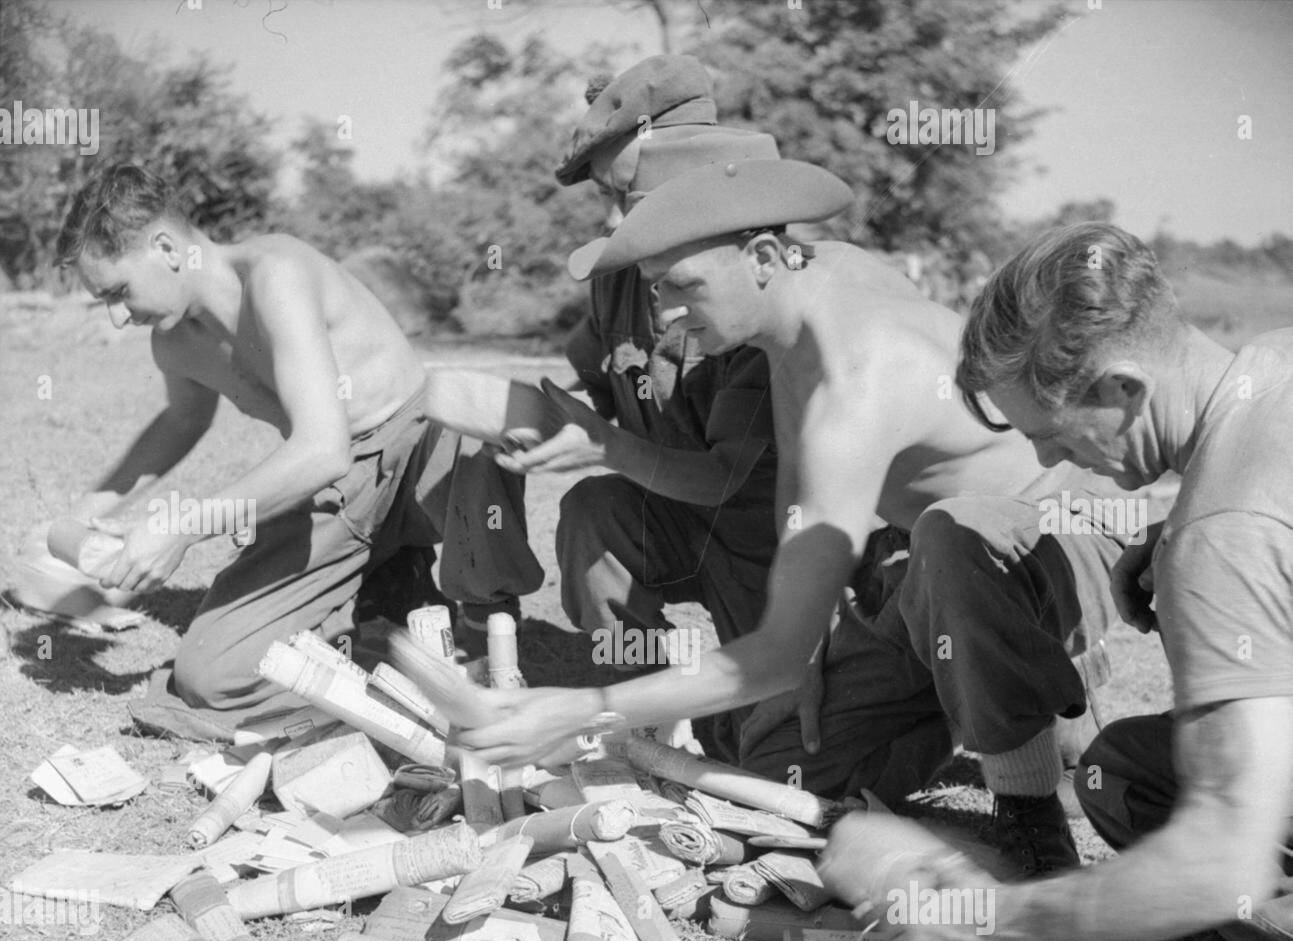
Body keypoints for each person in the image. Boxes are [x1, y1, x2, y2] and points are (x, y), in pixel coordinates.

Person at [462, 159, 1146, 874]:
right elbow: (802, 547)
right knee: (781, 768)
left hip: (1057, 535)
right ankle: (965, 688)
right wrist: (813, 665)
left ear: (762, 257)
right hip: (916, 560)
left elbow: (778, 649)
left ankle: (1032, 806)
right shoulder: (802, 307)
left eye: (684, 285)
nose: (666, 314)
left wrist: (579, 710)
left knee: (952, 540)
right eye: (655, 289)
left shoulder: (851, 381)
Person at [822, 222, 1292, 941]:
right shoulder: (1273, 363)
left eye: (1047, 433)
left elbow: (1218, 858)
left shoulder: (1227, 535)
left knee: (1132, 790)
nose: (1044, 464)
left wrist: (1001, 919)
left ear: (1120, 387)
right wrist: (1172, 531)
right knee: (1129, 767)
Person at [48, 163, 542, 739]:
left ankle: (489, 647)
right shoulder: (174, 343)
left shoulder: (275, 272)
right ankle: (384, 618)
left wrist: (185, 525)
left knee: (480, 420)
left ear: (165, 247)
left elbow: (320, 448)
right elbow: (180, 421)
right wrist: (85, 514)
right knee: (210, 678)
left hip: (416, 450)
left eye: (118, 291)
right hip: (338, 494)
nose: (117, 316)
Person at [500, 55, 783, 752]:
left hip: (771, 537)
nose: (615, 219)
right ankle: (646, 703)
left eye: (629, 194)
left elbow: (725, 475)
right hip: (671, 515)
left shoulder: (756, 273)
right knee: (594, 513)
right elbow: (588, 382)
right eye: (613, 197)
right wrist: (516, 425)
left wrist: (604, 445)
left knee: (765, 743)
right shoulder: (618, 279)